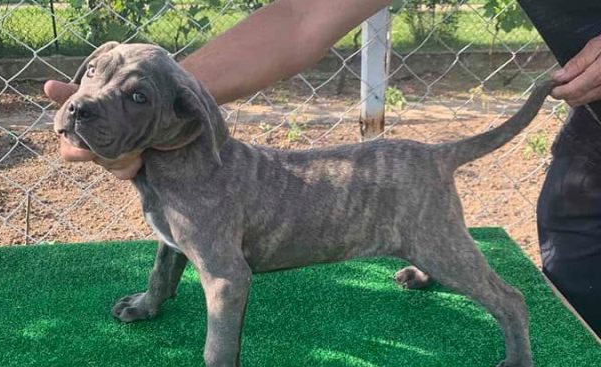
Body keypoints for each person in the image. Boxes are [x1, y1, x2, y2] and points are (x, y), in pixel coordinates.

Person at [44, 0, 601, 334]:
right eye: (94, 74)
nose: (86, 96)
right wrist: (148, 96)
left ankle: (508, 314)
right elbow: (302, 14)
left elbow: (225, 276)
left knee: (443, 246)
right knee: (577, 273)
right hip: (592, 136)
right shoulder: (176, 158)